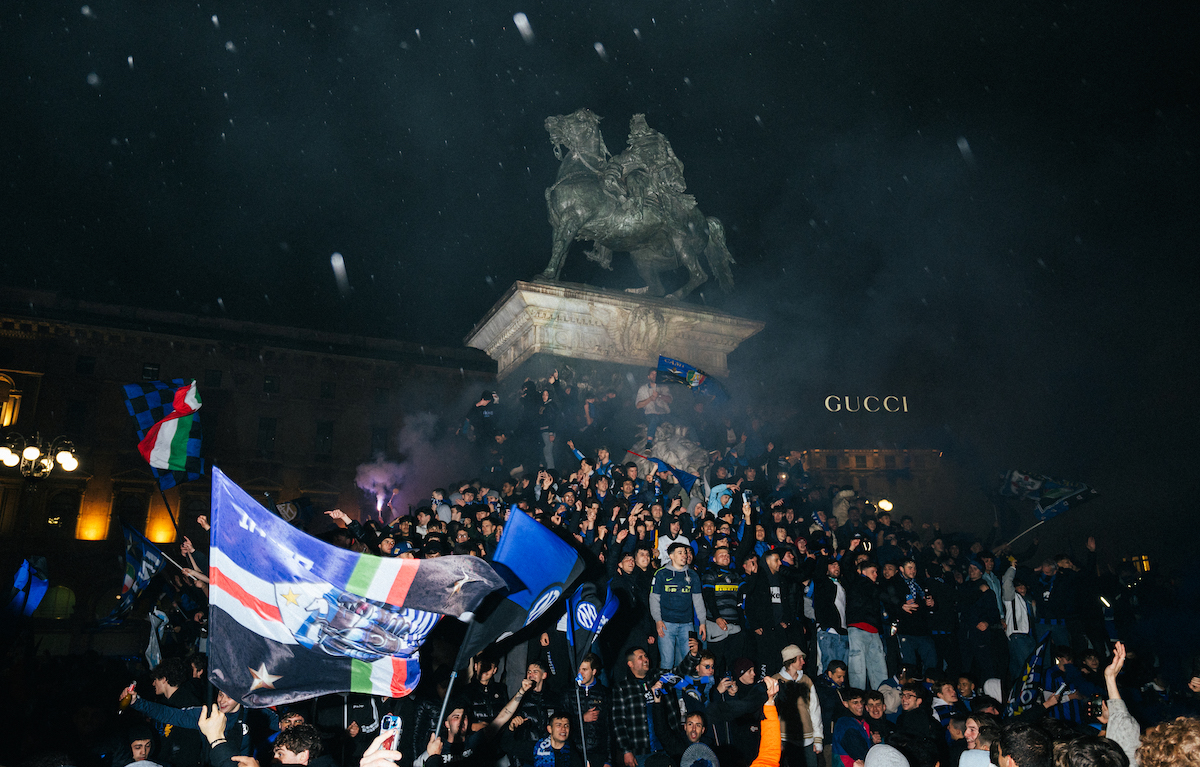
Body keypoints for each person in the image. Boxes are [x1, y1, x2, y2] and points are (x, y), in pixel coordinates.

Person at [650, 542, 707, 671]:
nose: (684, 555)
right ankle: (665, 691)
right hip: (666, 624)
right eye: (680, 552)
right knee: (667, 663)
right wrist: (658, 620)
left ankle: (685, 691)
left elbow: (698, 599)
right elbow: (654, 599)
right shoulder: (661, 574)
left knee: (688, 662)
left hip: (687, 624)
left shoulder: (692, 575)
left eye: (685, 552)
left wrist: (702, 622)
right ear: (671, 556)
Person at [771, 644, 823, 767]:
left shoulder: (806, 680)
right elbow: (770, 713)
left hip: (807, 739)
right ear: (790, 660)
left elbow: (815, 711)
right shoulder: (775, 680)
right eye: (800, 658)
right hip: (784, 739)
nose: (803, 662)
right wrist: (774, 740)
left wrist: (818, 738)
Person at [612, 647, 656, 767]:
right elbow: (618, 721)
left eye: (646, 656)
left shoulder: (656, 680)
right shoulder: (622, 687)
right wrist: (626, 751)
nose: (645, 659)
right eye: (640, 657)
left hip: (663, 747)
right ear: (630, 664)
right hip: (639, 750)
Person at [508, 713, 585, 767]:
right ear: (549, 729)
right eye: (558, 725)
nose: (563, 729)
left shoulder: (572, 754)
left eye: (566, 725)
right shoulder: (536, 748)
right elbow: (507, 745)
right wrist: (511, 728)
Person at [635, 369, 672, 439]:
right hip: (650, 416)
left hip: (665, 415)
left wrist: (659, 395)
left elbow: (670, 400)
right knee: (654, 419)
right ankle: (649, 443)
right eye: (652, 374)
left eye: (656, 374)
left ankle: (697, 443)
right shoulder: (643, 389)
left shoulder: (664, 387)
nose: (654, 376)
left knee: (684, 424)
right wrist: (650, 399)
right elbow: (638, 405)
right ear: (648, 377)